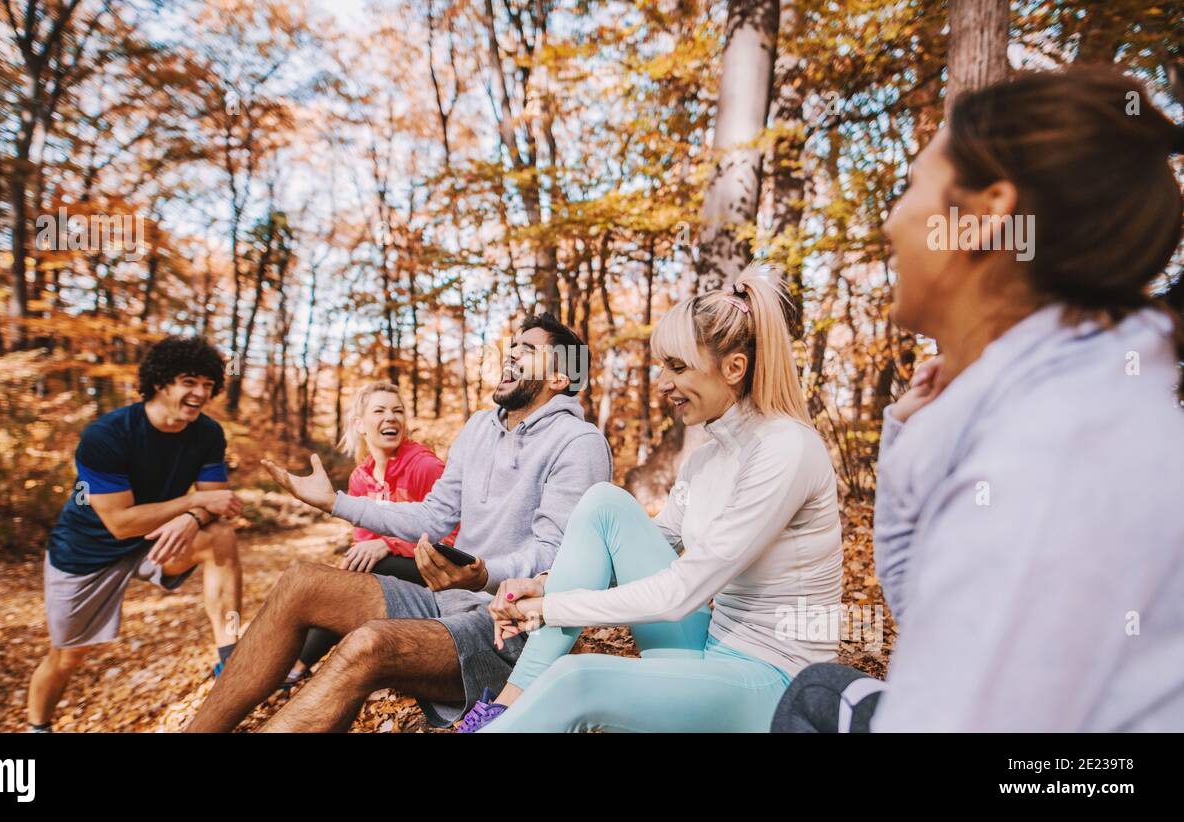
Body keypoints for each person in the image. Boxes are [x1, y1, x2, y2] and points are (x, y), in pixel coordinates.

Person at [774, 66, 1184, 732]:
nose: (889, 222)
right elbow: (923, 607)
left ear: (986, 215)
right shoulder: (1054, 389)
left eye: (910, 187)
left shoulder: (1054, 452)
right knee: (819, 689)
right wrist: (907, 438)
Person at [184, 313, 612, 732]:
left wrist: (483, 574)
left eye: (528, 351)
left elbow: (558, 558)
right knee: (302, 581)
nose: (511, 356)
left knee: (369, 643)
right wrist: (335, 502)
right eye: (512, 347)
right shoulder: (480, 426)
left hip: (510, 632)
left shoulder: (579, 443)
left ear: (558, 378)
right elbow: (432, 515)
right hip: (444, 607)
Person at [461, 268, 843, 733]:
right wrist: (545, 584)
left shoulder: (786, 448)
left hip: (774, 681)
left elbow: (681, 591)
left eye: (678, 367)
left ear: (734, 368)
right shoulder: (706, 457)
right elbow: (650, 541)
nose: (662, 384)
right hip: (708, 651)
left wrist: (551, 609)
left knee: (578, 678)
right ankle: (506, 709)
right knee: (605, 503)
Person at [27, 336, 244, 732]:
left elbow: (216, 505)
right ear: (160, 382)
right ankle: (38, 726)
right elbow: (121, 523)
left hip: (156, 542)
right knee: (68, 657)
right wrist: (191, 507)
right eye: (188, 382)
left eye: (208, 385)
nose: (200, 393)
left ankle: (231, 654)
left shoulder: (208, 434)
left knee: (221, 537)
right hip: (85, 552)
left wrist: (193, 518)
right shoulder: (107, 435)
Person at [285, 380, 456, 686]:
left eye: (398, 411)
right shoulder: (359, 478)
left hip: (442, 576)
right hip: (396, 576)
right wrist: (374, 549)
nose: (391, 417)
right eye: (379, 410)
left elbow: (453, 538)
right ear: (360, 424)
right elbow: (363, 545)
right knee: (347, 574)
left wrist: (388, 544)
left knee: (368, 568)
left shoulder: (425, 467)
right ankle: (292, 659)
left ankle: (298, 663)